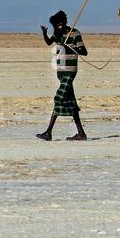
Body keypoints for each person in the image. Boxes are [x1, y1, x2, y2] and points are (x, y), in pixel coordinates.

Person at [38, 10, 88, 141]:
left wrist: (69, 47)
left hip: (70, 71)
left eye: (60, 23)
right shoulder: (58, 33)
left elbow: (84, 52)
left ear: (64, 21)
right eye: (56, 24)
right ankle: (81, 133)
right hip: (60, 71)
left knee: (59, 97)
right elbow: (49, 42)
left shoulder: (74, 33)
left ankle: (48, 132)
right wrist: (44, 34)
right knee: (71, 102)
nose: (59, 25)